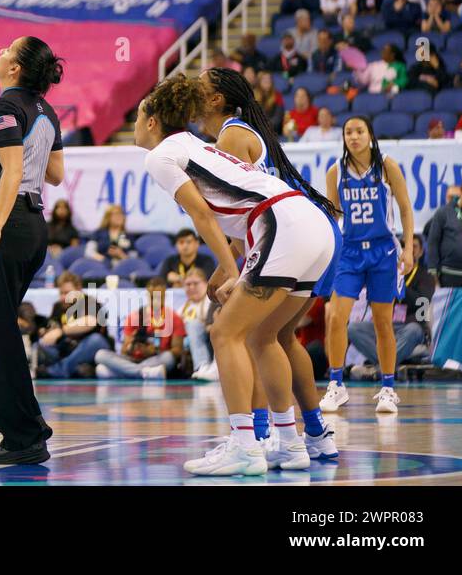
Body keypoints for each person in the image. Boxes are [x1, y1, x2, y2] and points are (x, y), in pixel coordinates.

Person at [137, 74, 337, 475]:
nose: (136, 126)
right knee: (266, 336)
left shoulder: (159, 155)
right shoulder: (197, 143)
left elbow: (203, 215)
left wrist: (231, 271)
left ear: (154, 121)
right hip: (312, 225)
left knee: (224, 333)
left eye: (139, 117)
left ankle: (246, 445)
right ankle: (292, 443)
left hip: (281, 225)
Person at [197, 66, 340, 460]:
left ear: (217, 99)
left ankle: (258, 436)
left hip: (288, 234)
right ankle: (314, 434)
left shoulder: (230, 136)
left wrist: (228, 268)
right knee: (275, 336)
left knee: (246, 333)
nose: (192, 92)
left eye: (200, 87)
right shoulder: (244, 132)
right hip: (311, 233)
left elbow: (238, 208)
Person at [0, 36, 66, 466]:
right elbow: (55, 173)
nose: (0, 51)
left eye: (8, 49)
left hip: (5, 226)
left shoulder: (3, 109)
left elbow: (12, 171)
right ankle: (26, 427)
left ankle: (24, 436)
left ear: (17, 68)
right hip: (32, 225)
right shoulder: (45, 110)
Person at [320, 116, 415, 416]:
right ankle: (336, 384)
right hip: (349, 252)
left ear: (370, 135)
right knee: (336, 317)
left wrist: (409, 247)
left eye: (359, 131)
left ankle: (388, 388)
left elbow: (405, 207)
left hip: (382, 251)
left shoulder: (387, 165)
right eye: (349, 132)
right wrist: (325, 250)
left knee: (382, 324)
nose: (354, 136)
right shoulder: (335, 172)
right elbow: (333, 216)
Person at [346, 262, 434, 376]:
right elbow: (373, 304)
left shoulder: (424, 276)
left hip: (411, 327)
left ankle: (379, 369)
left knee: (414, 330)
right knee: (353, 328)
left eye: (414, 248)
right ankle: (385, 368)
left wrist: (399, 285)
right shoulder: (385, 274)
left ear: (420, 252)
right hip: (387, 325)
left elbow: (422, 303)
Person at [93, 277, 183, 379]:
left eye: (159, 296)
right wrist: (131, 346)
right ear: (148, 295)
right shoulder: (135, 316)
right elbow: (124, 351)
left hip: (156, 359)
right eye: (153, 296)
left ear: (164, 296)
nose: (156, 300)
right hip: (133, 358)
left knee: (169, 358)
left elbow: (178, 350)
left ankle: (124, 372)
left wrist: (154, 351)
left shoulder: (174, 318)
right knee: (100, 355)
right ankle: (144, 373)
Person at [34, 271, 109, 379]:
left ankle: (59, 370)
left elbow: (90, 322)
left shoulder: (89, 301)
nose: (64, 297)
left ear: (78, 290)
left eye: (67, 293)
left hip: (89, 347)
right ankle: (76, 368)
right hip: (68, 348)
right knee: (41, 344)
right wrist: (46, 333)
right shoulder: (58, 306)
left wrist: (61, 331)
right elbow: (52, 326)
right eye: (61, 293)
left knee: (95, 339)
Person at [425, 174, 462, 288]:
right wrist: (433, 275)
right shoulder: (443, 213)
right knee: (451, 307)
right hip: (448, 276)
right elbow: (433, 243)